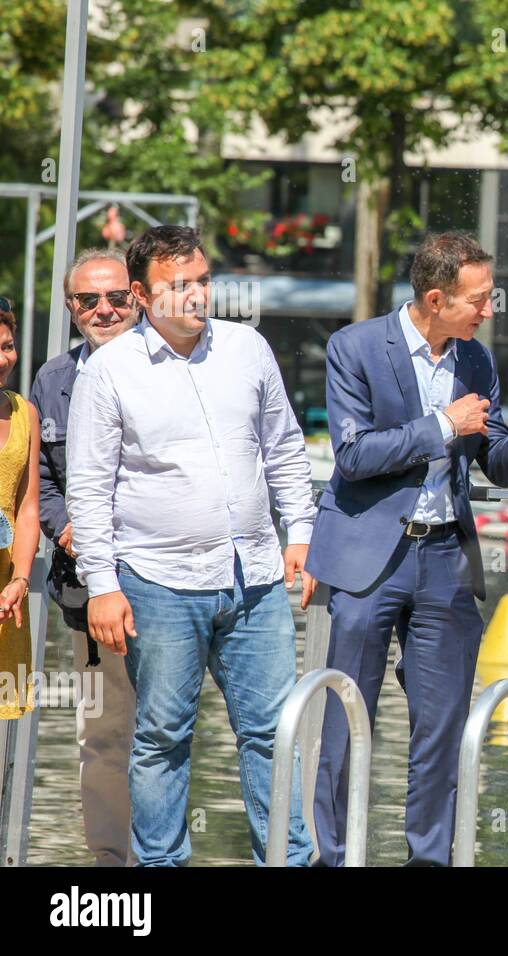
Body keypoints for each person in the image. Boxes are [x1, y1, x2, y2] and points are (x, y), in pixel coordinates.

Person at [307, 231, 508, 867]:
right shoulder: (353, 348)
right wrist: (440, 425)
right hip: (365, 561)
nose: (490, 311)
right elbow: (352, 457)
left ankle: (430, 860)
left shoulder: (476, 360)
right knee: (342, 723)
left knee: (441, 727)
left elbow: (496, 464)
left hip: (445, 560)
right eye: (480, 299)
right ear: (436, 298)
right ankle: (331, 859)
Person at [65, 225, 317, 866]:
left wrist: (303, 533)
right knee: (161, 737)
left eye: (202, 281)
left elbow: (285, 449)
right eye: (178, 286)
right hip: (157, 579)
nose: (196, 295)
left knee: (271, 734)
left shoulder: (247, 348)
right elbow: (89, 489)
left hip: (255, 575)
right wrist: (103, 586)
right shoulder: (108, 369)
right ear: (142, 297)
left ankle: (286, 862)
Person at [30, 248, 141, 865]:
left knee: (168, 729)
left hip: (170, 582)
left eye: (116, 298)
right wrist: (69, 528)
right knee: (100, 735)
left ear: (138, 299)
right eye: (87, 300)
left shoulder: (170, 366)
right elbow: (41, 482)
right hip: (89, 592)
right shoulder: (53, 380)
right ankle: (111, 867)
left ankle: (160, 857)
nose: (103, 310)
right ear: (71, 307)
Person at [0, 294, 40, 722]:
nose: (2, 359)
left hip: (5, 592)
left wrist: (21, 579)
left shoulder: (24, 413)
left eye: (8, 346)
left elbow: (28, 508)